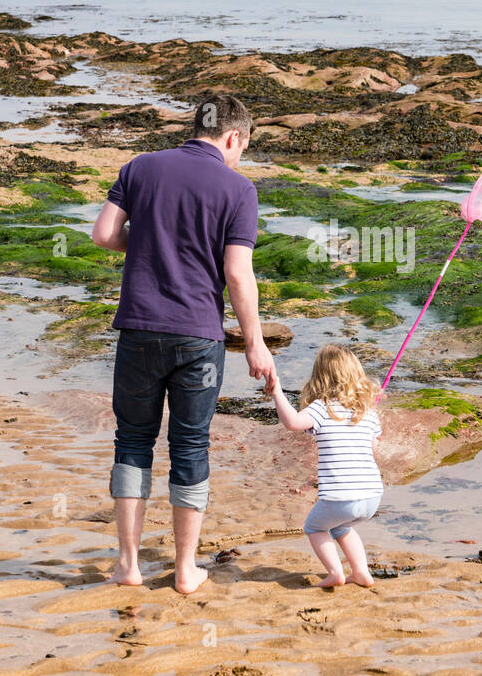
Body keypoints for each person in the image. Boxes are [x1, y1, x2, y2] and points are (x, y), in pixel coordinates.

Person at [90, 93, 275, 594]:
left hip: (138, 330)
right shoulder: (239, 190)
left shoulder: (140, 167)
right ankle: (186, 570)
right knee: (190, 445)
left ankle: (127, 565)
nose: (239, 158)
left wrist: (149, 242)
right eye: (243, 148)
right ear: (233, 137)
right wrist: (255, 343)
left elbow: (104, 235)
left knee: (132, 442)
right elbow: (238, 275)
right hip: (198, 337)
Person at [265, 344, 383, 588]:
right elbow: (372, 450)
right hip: (372, 496)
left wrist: (277, 392)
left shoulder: (322, 408)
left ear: (320, 377)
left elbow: (293, 422)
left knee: (315, 527)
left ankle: (335, 573)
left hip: (340, 496)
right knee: (342, 527)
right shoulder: (367, 413)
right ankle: (361, 572)